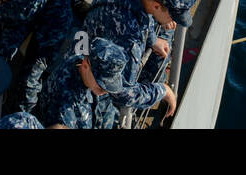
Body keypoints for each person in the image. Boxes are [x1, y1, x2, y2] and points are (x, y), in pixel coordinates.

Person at [83, 0, 195, 104]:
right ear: (156, 6)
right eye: (172, 16)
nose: (174, 22)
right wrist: (162, 91)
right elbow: (123, 93)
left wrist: (153, 40)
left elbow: (142, 12)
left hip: (94, 24)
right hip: (95, 63)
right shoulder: (130, 39)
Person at [36, 37, 172, 129]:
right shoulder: (65, 106)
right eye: (102, 84)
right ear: (85, 65)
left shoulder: (92, 71)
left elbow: (126, 92)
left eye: (110, 85)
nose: (105, 91)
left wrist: (163, 91)